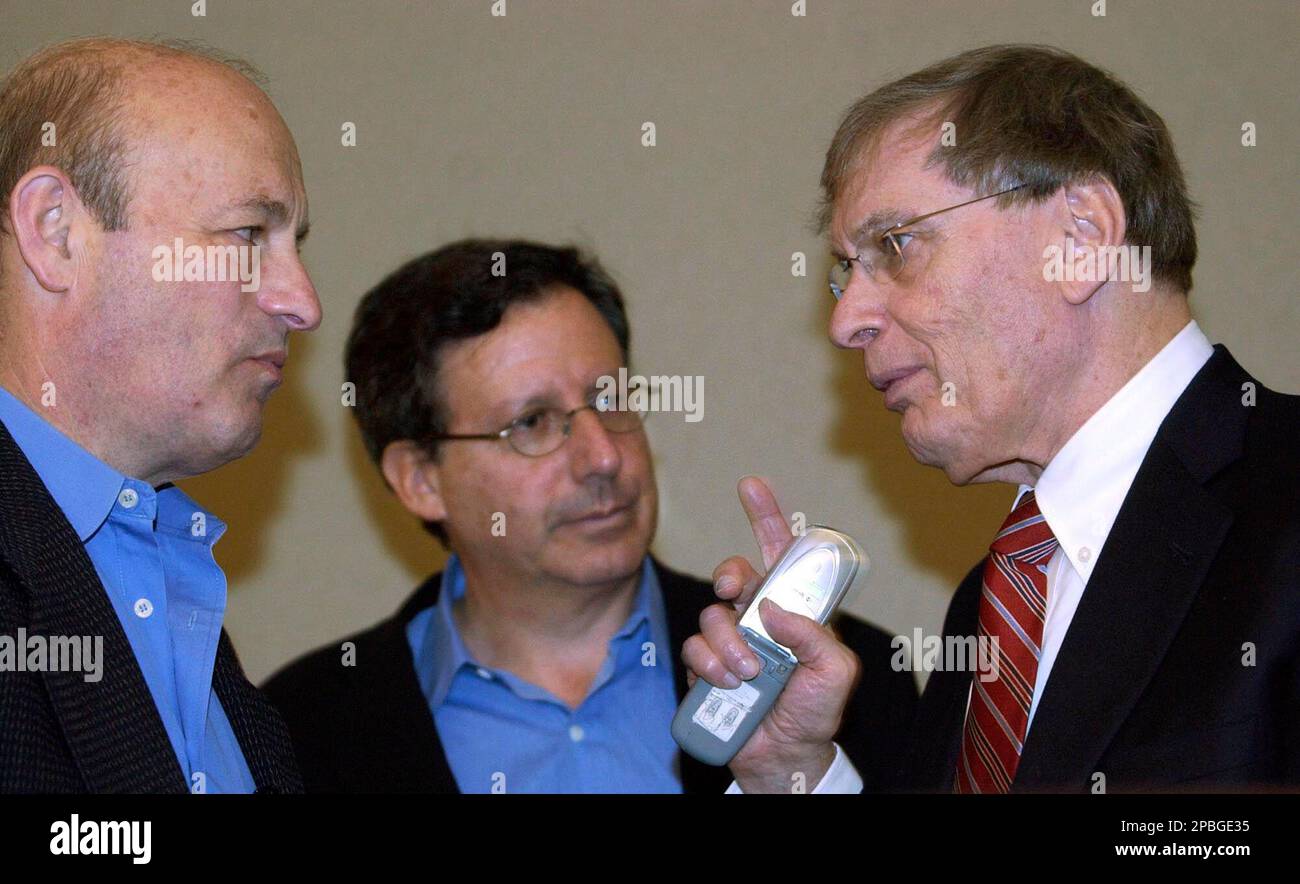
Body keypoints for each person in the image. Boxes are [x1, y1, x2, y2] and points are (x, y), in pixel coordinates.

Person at [689, 44, 1299, 793]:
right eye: (846, 272)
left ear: (1081, 238)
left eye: (896, 245)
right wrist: (792, 769)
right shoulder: (993, 602)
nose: (845, 321)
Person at [263, 239, 917, 793]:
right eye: (532, 422)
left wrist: (788, 772)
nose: (603, 456)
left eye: (610, 399)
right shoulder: (301, 729)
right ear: (420, 479)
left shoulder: (837, 680)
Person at [0, 38, 320, 793]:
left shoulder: (166, 576)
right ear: (56, 231)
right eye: (248, 235)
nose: (302, 302)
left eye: (293, 246)